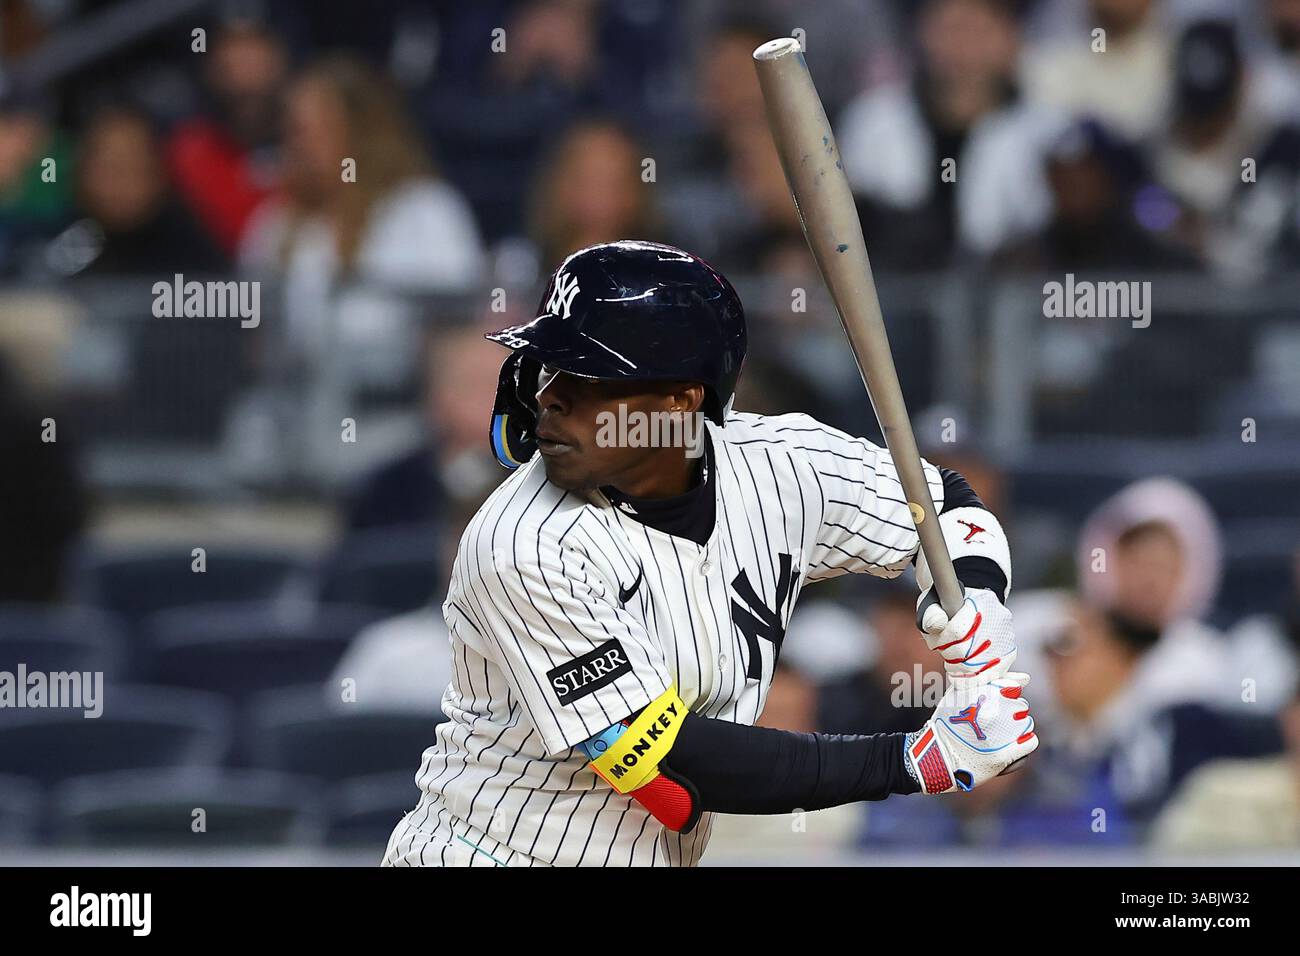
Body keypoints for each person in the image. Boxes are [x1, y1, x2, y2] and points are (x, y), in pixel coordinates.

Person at [382, 240, 1037, 867]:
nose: (551, 398)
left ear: (679, 402)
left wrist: (975, 605)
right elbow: (672, 768)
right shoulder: (522, 544)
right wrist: (914, 759)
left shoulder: (780, 467)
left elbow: (940, 503)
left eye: (591, 379)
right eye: (554, 368)